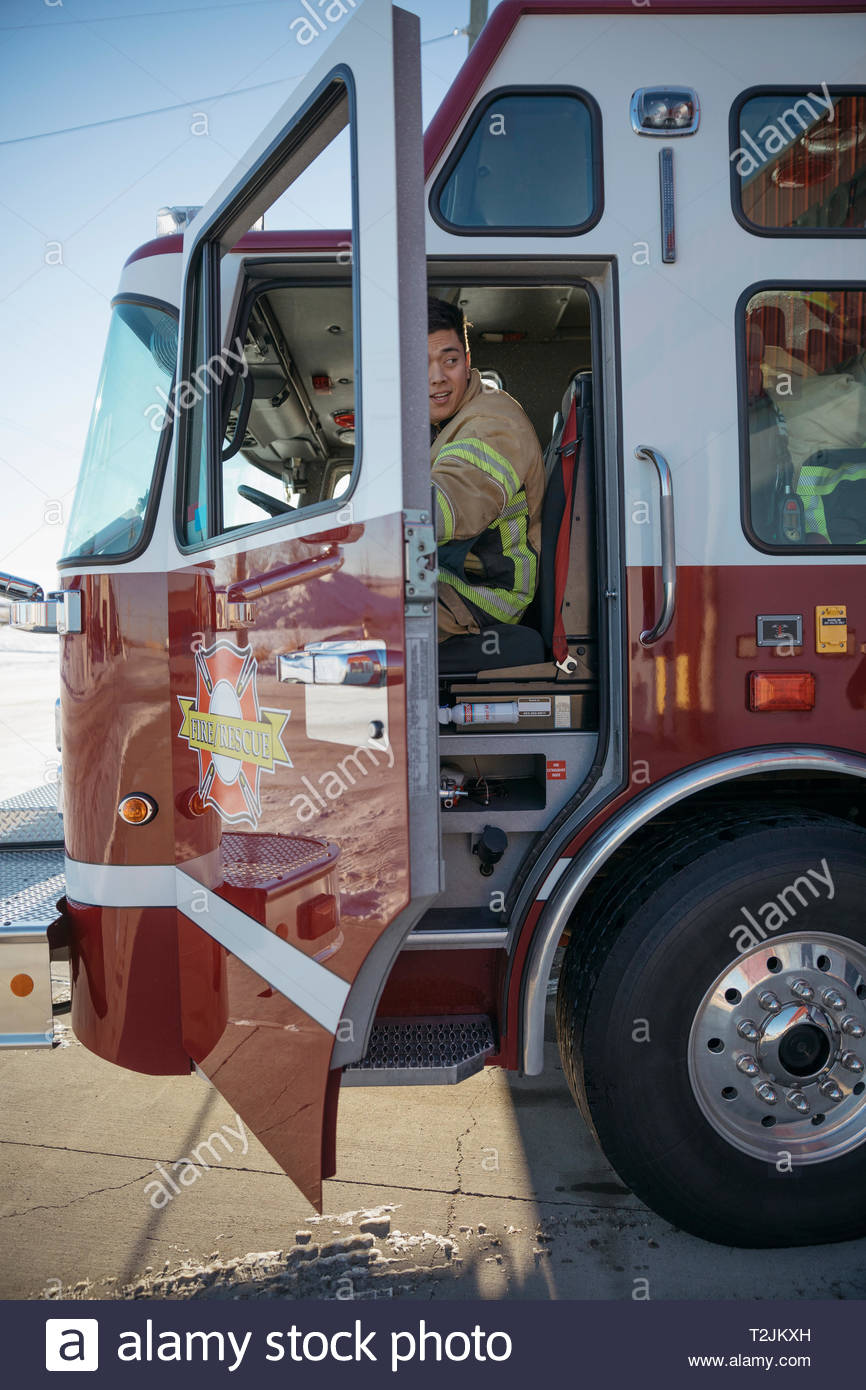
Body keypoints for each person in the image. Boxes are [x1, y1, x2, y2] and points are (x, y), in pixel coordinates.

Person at [428, 297, 545, 642]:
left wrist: (361, 529)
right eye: (421, 363)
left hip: (490, 595)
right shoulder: (448, 422)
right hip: (456, 577)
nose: (437, 378)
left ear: (466, 363)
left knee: (360, 614)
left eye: (448, 361)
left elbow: (451, 503)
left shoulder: (493, 422)